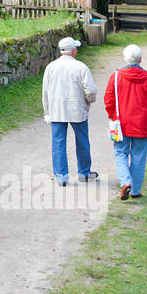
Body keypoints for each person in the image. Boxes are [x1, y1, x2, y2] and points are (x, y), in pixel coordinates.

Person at [104, 44, 147, 201]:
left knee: (120, 153)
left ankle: (126, 181)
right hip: (142, 123)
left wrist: (113, 116)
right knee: (138, 156)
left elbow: (109, 100)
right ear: (140, 59)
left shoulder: (116, 77)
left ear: (125, 58)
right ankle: (135, 190)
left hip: (121, 122)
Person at [41, 36, 99, 186]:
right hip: (77, 108)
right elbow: (90, 90)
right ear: (73, 51)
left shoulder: (51, 67)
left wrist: (47, 111)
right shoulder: (81, 67)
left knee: (58, 142)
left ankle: (61, 175)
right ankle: (84, 172)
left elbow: (45, 92)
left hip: (57, 109)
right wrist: (90, 99)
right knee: (82, 140)